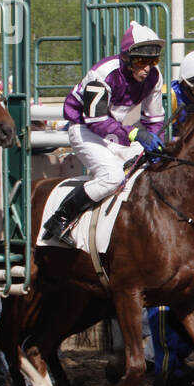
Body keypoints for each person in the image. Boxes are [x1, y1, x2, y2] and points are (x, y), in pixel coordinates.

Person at [42, 21, 166, 245]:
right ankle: (60, 218)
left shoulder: (154, 77)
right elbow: (96, 121)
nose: (147, 67)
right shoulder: (104, 73)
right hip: (84, 128)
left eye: (153, 60)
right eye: (141, 60)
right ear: (127, 58)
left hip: (114, 128)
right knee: (113, 177)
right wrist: (134, 134)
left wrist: (157, 142)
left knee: (150, 167)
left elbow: (155, 119)